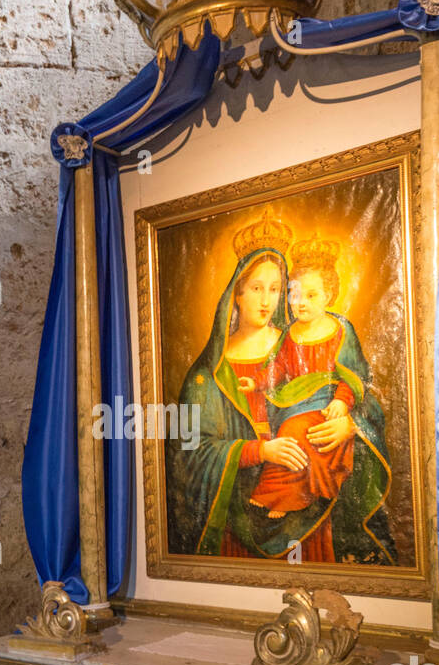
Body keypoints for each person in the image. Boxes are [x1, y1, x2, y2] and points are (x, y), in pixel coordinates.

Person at [166, 209, 396, 564]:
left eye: (276, 289)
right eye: (256, 288)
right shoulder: (208, 371)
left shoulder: (301, 340)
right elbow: (189, 454)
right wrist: (260, 452)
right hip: (236, 521)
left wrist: (350, 425)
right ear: (236, 294)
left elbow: (362, 396)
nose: (266, 301)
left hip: (313, 516)